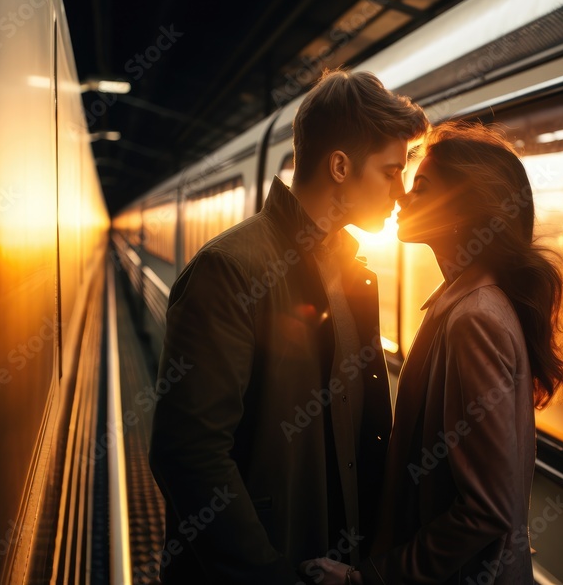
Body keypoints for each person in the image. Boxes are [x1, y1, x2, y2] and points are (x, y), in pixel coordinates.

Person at [148, 69, 428, 583]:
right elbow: (187, 453)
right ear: (340, 166)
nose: (401, 192)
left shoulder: (351, 272)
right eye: (391, 172)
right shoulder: (229, 270)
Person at [303, 121, 563, 584]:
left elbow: (486, 510)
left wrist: (365, 578)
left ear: (462, 211)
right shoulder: (469, 302)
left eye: (421, 187)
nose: (402, 197)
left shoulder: (474, 319)